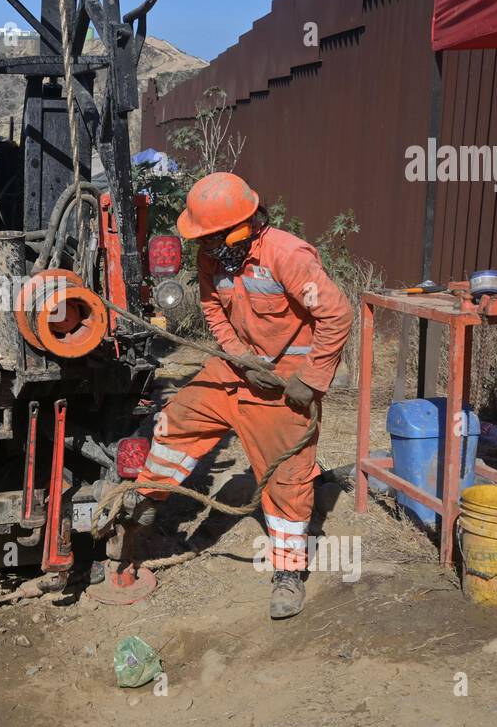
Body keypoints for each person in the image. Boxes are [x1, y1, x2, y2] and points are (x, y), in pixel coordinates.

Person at [133, 172, 352, 619]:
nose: (203, 248)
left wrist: (309, 380)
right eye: (201, 239)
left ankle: (289, 572)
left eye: (210, 238)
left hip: (285, 385)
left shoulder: (286, 255)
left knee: (287, 481)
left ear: (240, 228)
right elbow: (214, 308)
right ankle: (145, 506)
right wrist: (237, 354)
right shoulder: (214, 258)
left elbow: (337, 315)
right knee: (177, 420)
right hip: (237, 370)